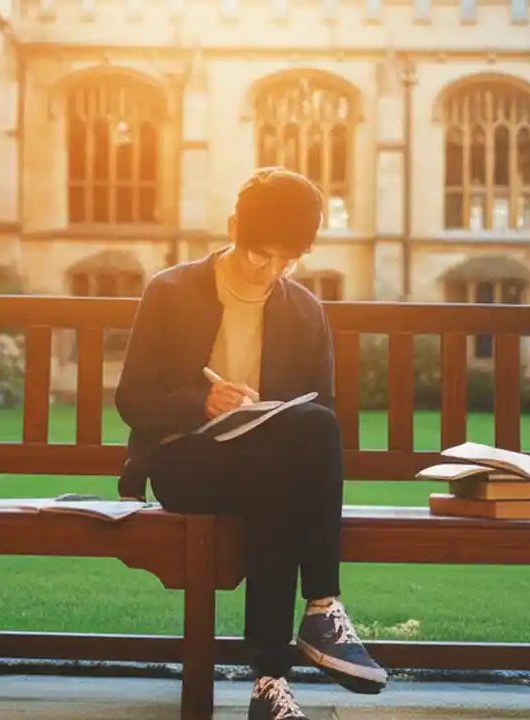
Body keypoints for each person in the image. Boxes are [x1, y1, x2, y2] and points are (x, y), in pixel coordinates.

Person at [114, 167, 387, 720]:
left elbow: (321, 413)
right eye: (262, 253)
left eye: (288, 259)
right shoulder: (171, 290)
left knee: (302, 445)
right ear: (234, 226)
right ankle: (316, 618)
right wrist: (202, 403)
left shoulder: (304, 310)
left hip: (264, 472)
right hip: (183, 462)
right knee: (283, 477)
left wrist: (267, 416)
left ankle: (278, 671)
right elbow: (132, 398)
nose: (272, 270)